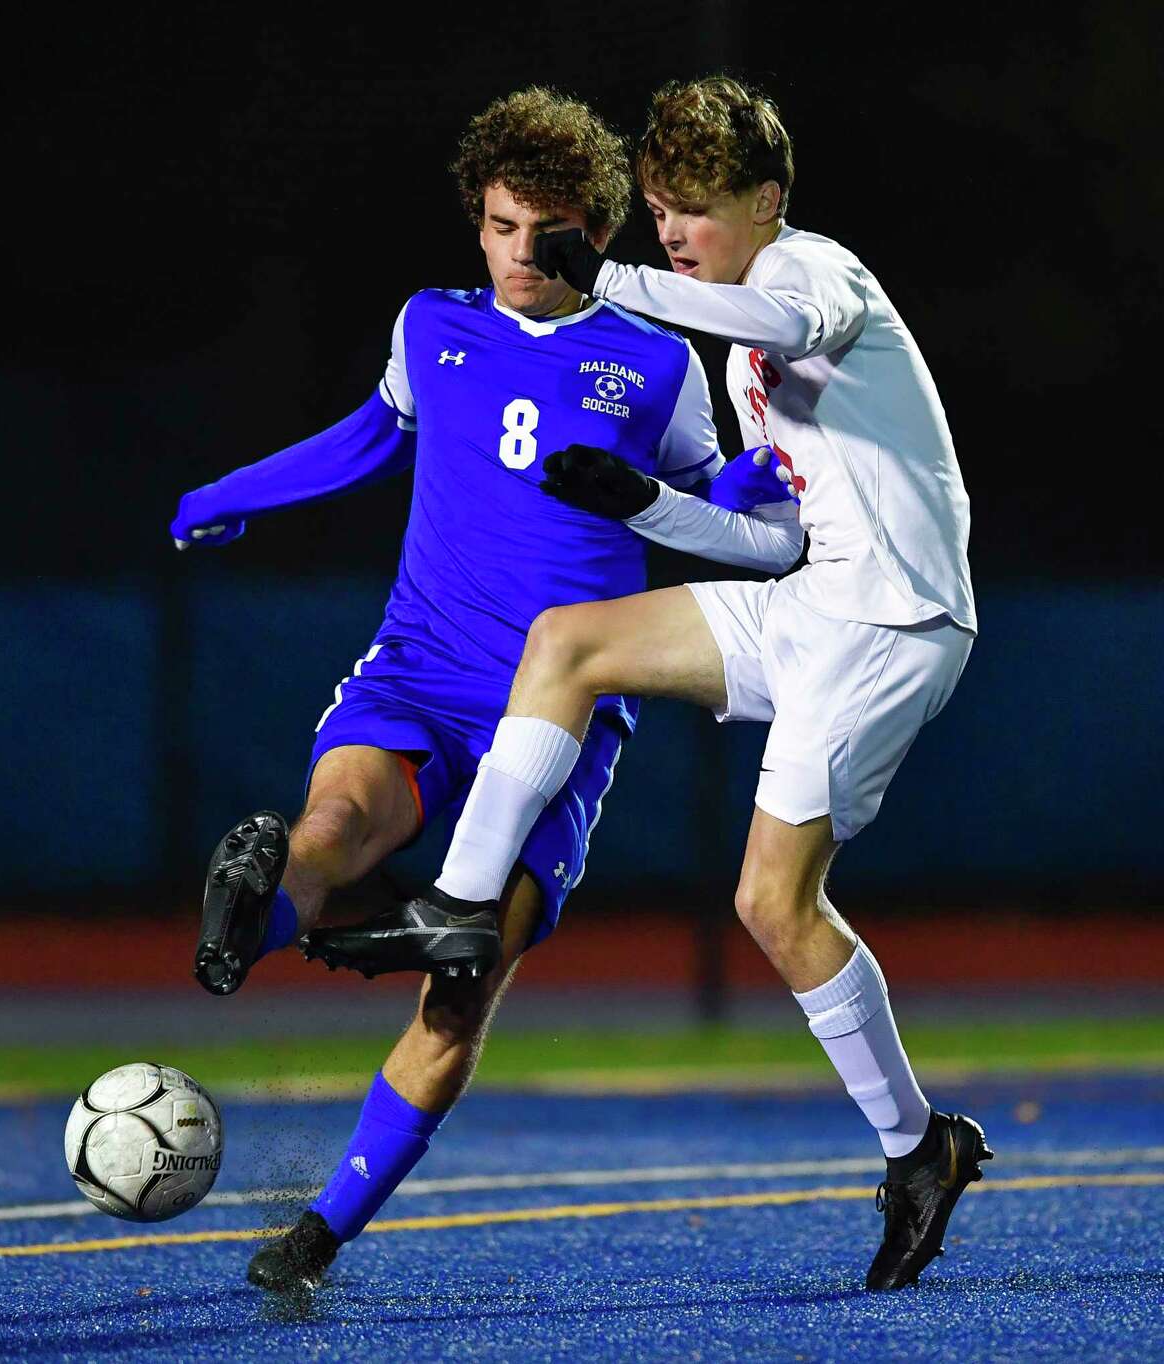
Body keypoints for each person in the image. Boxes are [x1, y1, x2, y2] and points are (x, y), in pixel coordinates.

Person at [170, 86, 800, 1295]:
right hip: (422, 666)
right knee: (333, 825)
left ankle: (318, 1231)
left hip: (565, 707)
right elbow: (365, 438)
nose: (523, 252)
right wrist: (225, 492)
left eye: (547, 230)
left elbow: (717, 502)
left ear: (593, 236)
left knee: (464, 982)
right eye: (503, 225)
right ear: (479, 223)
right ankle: (252, 915)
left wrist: (774, 486)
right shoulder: (431, 329)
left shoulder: (657, 364)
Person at [380, 76, 993, 1292]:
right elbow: (770, 540)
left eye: (696, 208)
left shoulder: (818, 277)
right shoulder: (735, 347)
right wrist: (645, 504)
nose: (671, 231)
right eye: (658, 210)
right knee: (569, 639)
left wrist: (605, 280)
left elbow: (792, 325)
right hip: (816, 601)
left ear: (767, 200)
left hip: (892, 623)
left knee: (773, 903)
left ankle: (921, 1146)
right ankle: (455, 904)